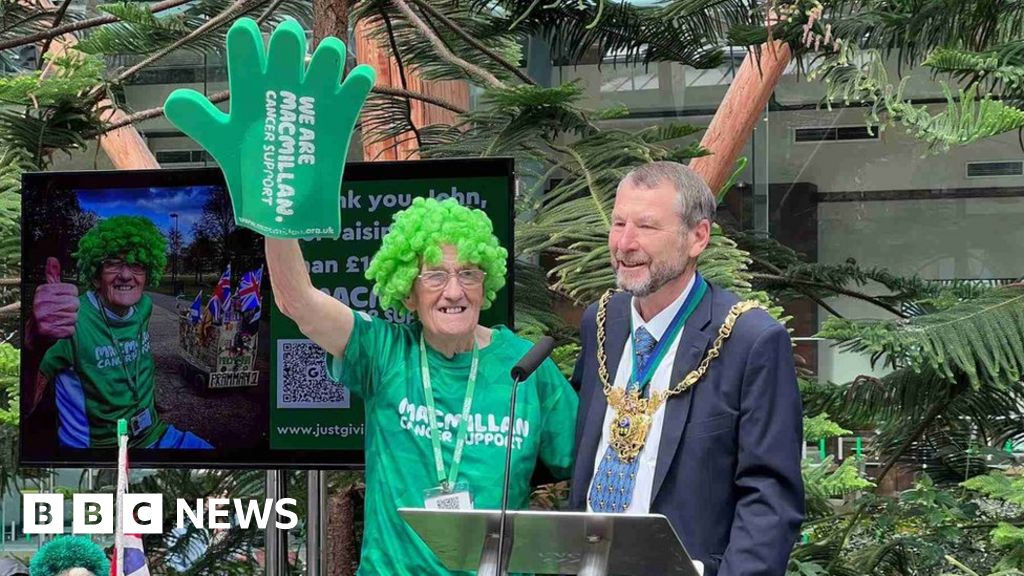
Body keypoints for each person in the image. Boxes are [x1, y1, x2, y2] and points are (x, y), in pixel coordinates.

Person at [267, 197, 578, 575]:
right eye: (435, 275)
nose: (453, 291)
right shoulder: (383, 353)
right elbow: (297, 300)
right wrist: (276, 207)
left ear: (485, 283)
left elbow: (593, 468)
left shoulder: (528, 367)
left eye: (468, 273)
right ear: (409, 293)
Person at [568, 162, 804, 576]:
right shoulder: (601, 320)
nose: (624, 243)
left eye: (646, 227)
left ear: (698, 237)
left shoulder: (750, 340)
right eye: (619, 223)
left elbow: (770, 499)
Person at [23, 216, 213, 450]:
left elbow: (135, 358)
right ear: (95, 274)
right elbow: (25, 406)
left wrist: (148, 400)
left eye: (137, 264)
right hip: (99, 453)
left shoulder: (144, 306)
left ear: (148, 272)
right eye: (113, 263)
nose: (125, 275)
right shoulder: (68, 321)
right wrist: (33, 344)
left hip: (154, 435)